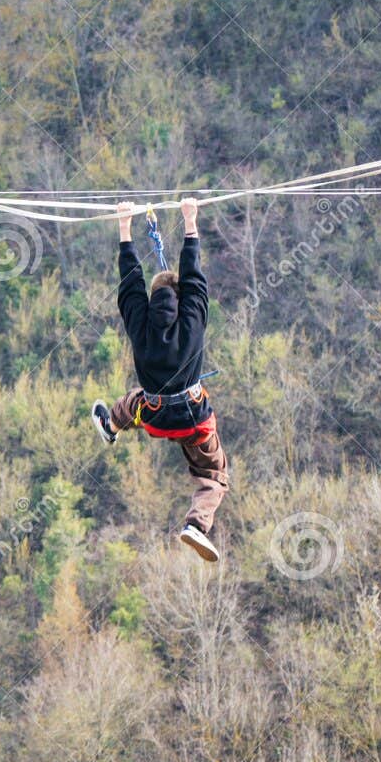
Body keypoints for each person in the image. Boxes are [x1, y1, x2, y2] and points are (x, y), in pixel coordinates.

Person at [91, 197, 229, 563]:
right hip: (192, 420)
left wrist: (124, 225)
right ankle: (196, 525)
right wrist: (190, 221)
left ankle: (111, 424)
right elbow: (195, 277)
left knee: (136, 400)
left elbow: (130, 283)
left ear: (152, 302)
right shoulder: (193, 323)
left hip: (153, 415)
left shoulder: (140, 323)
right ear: (184, 301)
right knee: (213, 476)